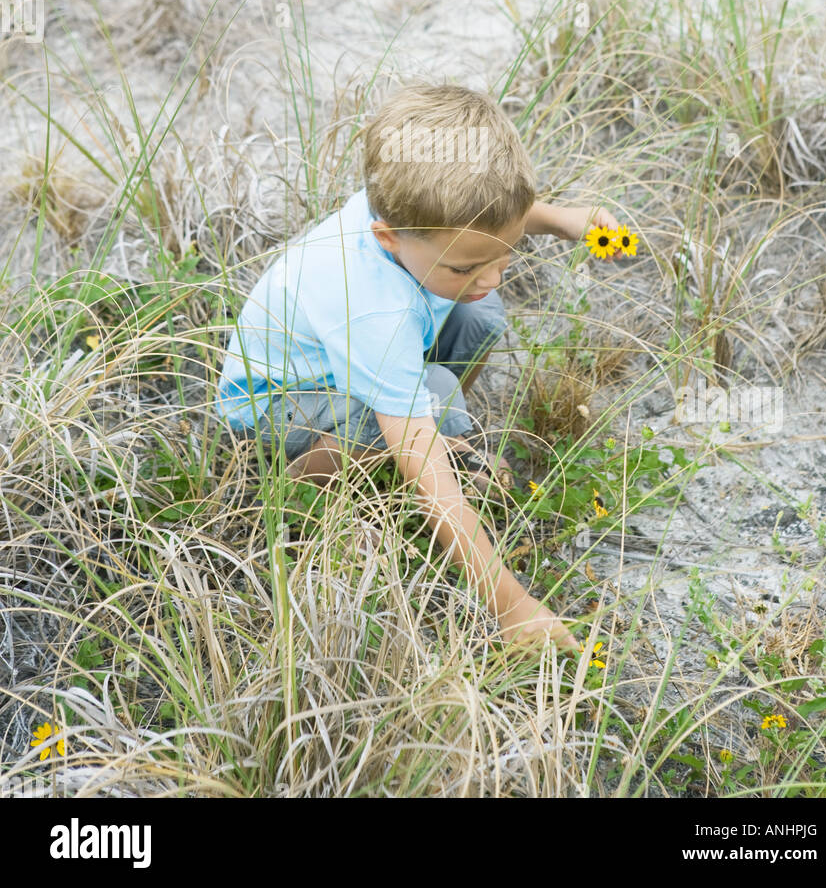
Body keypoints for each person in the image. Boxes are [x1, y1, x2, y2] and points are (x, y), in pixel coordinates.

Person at [215, 82, 624, 655]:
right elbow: (418, 451)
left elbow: (492, 219)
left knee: (479, 316)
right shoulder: (372, 303)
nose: (491, 275)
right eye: (464, 266)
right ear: (389, 238)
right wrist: (511, 605)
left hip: (368, 354)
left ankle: (422, 426)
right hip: (276, 406)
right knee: (434, 400)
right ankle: (298, 485)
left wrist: (565, 221)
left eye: (502, 255)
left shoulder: (422, 218)